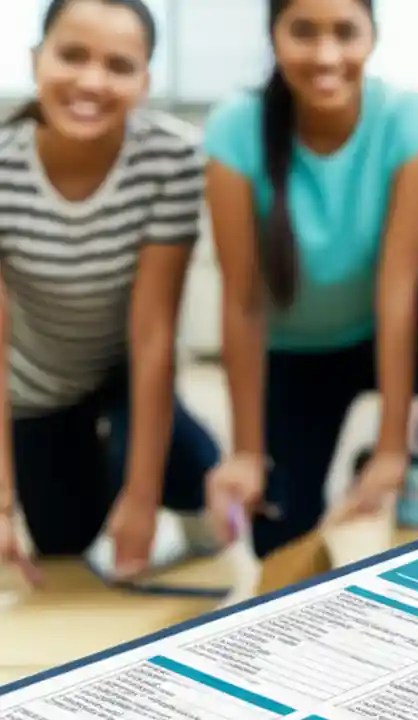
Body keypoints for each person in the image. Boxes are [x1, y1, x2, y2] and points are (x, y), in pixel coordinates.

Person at [201, 0, 418, 558]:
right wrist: (247, 451)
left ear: (373, 36)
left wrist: (392, 450)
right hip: (294, 357)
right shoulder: (235, 128)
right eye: (303, 32)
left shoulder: (410, 119)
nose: (326, 56)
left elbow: (397, 288)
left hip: (381, 335)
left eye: (346, 33)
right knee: (279, 540)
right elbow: (241, 301)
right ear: (273, 35)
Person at [0, 0, 220, 584]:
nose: (92, 82)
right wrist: (2, 503)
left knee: (184, 469)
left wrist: (142, 500)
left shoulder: (173, 158)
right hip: (38, 388)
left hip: (123, 368)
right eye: (72, 56)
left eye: (119, 66)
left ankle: (195, 507)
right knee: (64, 543)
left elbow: (152, 335)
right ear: (36, 59)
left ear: (145, 81)